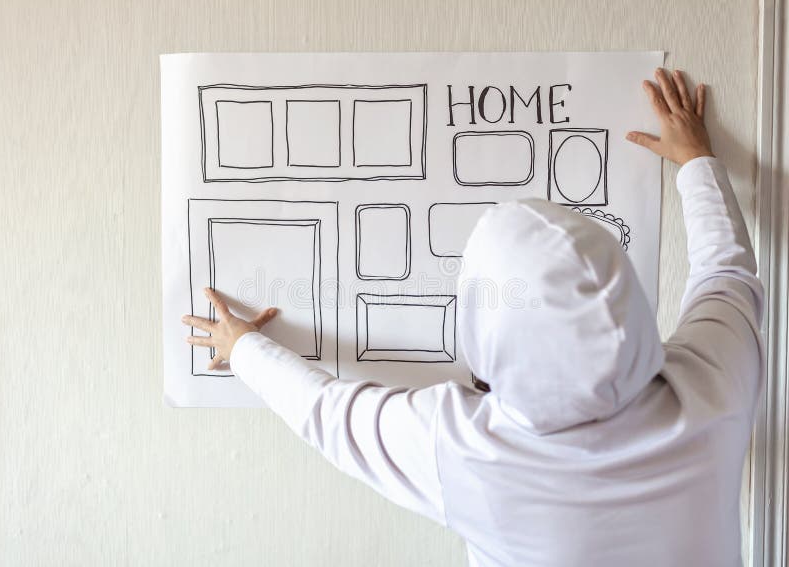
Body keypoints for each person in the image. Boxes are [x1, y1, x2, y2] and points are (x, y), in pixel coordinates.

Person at [182, 68, 763, 567]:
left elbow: (324, 413)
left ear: (484, 337)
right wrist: (696, 159)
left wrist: (242, 348)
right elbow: (727, 274)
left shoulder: (466, 450)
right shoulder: (715, 383)